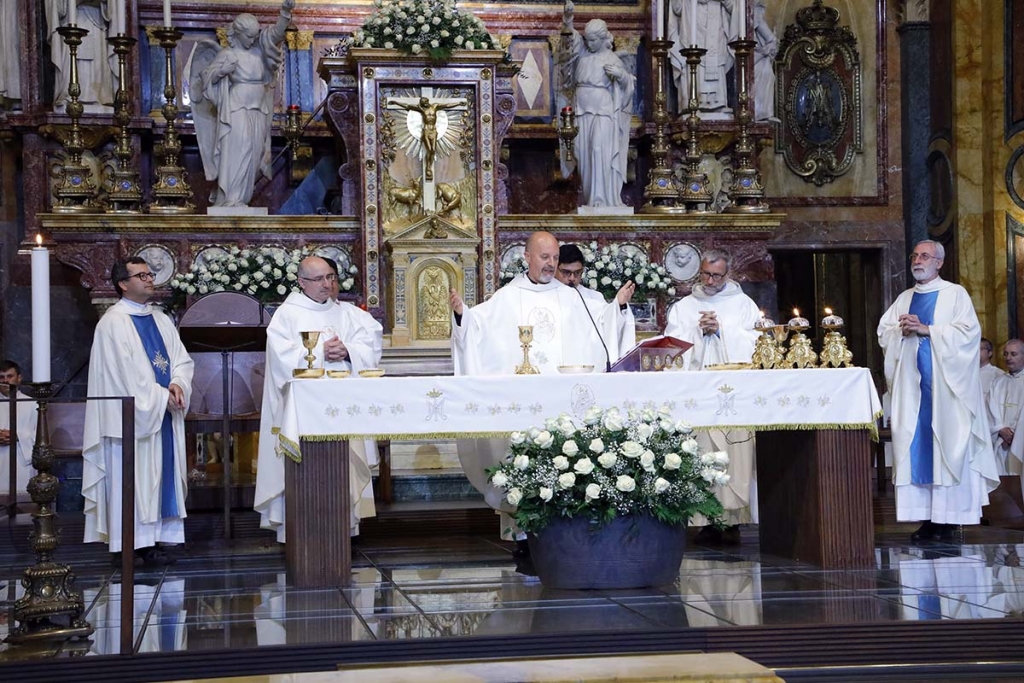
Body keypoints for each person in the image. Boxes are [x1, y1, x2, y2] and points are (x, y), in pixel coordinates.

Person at [450, 231, 633, 552]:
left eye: (554, 258)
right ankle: (523, 538)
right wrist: (462, 315)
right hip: (524, 402)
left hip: (565, 403)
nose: (550, 264)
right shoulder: (507, 297)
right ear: (527, 257)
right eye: (544, 257)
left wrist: (616, 307)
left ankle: (568, 534)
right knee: (519, 460)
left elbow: (600, 328)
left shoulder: (573, 297)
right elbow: (477, 327)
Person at [877, 240, 999, 542]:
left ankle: (949, 518)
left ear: (939, 262)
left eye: (925, 256)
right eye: (915, 256)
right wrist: (900, 331)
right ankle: (929, 518)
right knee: (916, 446)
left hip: (946, 392)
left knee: (947, 446)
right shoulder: (905, 298)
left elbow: (969, 335)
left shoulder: (954, 294)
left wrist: (928, 329)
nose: (918, 260)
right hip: (913, 391)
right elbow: (884, 332)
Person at [254, 255, 382, 543]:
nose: (328, 284)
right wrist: (320, 352)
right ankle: (301, 531)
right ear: (301, 282)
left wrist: (349, 351)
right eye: (319, 279)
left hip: (343, 405)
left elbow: (372, 338)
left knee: (345, 463)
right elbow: (279, 358)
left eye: (331, 277)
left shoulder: (348, 313)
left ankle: (343, 529)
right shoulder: (288, 315)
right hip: (302, 412)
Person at [82, 257, 194, 564]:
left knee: (160, 473)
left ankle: (155, 540)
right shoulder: (113, 323)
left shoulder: (160, 319)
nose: (149, 279)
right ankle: (129, 545)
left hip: (162, 413)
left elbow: (181, 360)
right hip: (130, 422)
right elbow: (123, 376)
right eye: (141, 275)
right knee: (132, 475)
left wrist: (178, 384)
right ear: (123, 283)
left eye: (150, 274)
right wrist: (161, 396)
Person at [664, 248, 761, 542]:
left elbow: (756, 342)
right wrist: (698, 333)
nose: (710, 279)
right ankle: (702, 519)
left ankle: (732, 521)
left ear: (727, 274)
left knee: (733, 457)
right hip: (698, 395)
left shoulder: (744, 305)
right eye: (706, 273)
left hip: (733, 395)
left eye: (716, 275)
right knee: (702, 454)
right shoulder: (684, 307)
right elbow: (672, 347)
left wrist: (721, 331)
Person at [193, 0, 293, 207]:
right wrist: (221, 72)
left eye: (254, 37)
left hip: (258, 110)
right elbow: (205, 78)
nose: (252, 40)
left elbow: (275, 34)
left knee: (254, 156)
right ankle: (231, 198)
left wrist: (285, 12)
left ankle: (242, 199)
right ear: (237, 34)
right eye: (248, 37)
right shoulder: (227, 54)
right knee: (240, 151)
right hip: (236, 110)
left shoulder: (259, 51)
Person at [558, 3, 635, 209]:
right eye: (587, 40)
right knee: (585, 157)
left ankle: (604, 199)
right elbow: (569, 39)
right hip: (582, 112)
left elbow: (628, 86)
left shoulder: (611, 59)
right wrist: (568, 18)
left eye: (593, 40)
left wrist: (621, 76)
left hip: (604, 113)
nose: (589, 43)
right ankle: (592, 198)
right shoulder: (581, 55)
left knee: (599, 150)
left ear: (602, 39)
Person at [555, 244, 636, 361]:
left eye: (577, 273)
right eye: (566, 273)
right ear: (555, 269)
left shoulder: (594, 297)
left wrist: (619, 304)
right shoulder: (546, 296)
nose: (572, 278)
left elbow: (608, 324)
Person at [44, 0, 123, 111]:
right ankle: (69, 96)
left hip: (97, 21)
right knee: (70, 60)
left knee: (98, 67)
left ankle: (99, 96)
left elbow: (112, 6)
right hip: (71, 22)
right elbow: (56, 6)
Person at [668, 0, 740, 116]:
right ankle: (691, 103)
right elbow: (677, 7)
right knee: (691, 57)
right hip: (692, 25)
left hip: (716, 27)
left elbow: (734, 6)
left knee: (714, 59)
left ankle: (717, 103)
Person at [986, 339, 1024, 516]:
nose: (1008, 358)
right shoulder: (998, 383)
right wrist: (1001, 429)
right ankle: (1005, 516)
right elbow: (990, 409)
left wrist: (1016, 434)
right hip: (1001, 442)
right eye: (1006, 354)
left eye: (1014, 354)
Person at [389, 96, 463, 181]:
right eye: (422, 103)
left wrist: (458, 103)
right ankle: (428, 167)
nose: (424, 104)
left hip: (434, 131)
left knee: (433, 150)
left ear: (427, 101)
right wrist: (396, 102)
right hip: (426, 131)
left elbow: (447, 105)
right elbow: (407, 106)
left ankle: (429, 166)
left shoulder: (435, 106)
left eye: (424, 103)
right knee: (430, 150)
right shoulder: (421, 109)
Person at [0, 361, 37, 503]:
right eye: (2, 377)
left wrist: (17, 436)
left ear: (19, 378)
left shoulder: (32, 404)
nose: (6, 381)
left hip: (21, 461)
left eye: (10, 376)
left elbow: (40, 435)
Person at [752, 0, 778, 122]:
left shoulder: (757, 20)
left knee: (768, 73)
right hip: (750, 58)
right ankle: (755, 113)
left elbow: (772, 39)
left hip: (759, 57)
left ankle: (764, 112)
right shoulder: (738, 22)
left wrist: (768, 49)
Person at [980, 337, 1006, 404]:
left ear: (990, 353)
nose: (976, 351)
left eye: (981, 349)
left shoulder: (998, 374)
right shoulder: (966, 374)